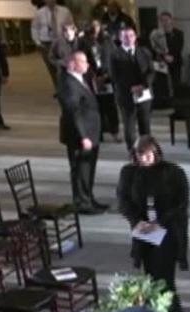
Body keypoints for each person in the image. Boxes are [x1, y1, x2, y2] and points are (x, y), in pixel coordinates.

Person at [117, 136, 190, 312]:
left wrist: (159, 222)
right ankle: (155, 301)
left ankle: (169, 304)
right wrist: (138, 223)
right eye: (140, 154)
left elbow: (181, 203)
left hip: (168, 227)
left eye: (148, 153)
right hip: (144, 228)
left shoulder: (173, 172)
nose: (144, 158)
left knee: (164, 268)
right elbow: (123, 202)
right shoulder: (129, 173)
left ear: (155, 152)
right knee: (149, 267)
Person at [58, 51, 105, 214]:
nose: (87, 64)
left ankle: (89, 198)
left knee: (88, 169)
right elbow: (74, 112)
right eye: (83, 61)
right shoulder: (69, 84)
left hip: (90, 133)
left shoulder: (79, 79)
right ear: (72, 64)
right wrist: (83, 136)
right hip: (80, 136)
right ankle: (82, 203)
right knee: (81, 170)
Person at [110, 26, 156, 154]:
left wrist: (143, 85)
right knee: (129, 126)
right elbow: (115, 76)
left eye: (131, 36)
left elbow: (151, 71)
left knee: (145, 125)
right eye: (125, 36)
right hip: (126, 95)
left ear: (135, 37)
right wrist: (132, 88)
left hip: (144, 94)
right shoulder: (115, 55)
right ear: (120, 38)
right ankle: (133, 152)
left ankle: (146, 150)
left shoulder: (144, 52)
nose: (128, 39)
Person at [79, 18, 121, 143]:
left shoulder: (107, 40)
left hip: (107, 78)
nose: (94, 28)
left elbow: (114, 57)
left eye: (97, 26)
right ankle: (98, 133)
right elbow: (81, 59)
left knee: (110, 106)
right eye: (92, 26)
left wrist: (108, 74)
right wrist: (93, 76)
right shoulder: (83, 41)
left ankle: (115, 132)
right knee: (96, 107)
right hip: (91, 78)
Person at [31, 0, 73, 92]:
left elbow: (70, 25)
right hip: (46, 43)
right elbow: (34, 28)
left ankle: (67, 86)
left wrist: (70, 38)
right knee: (52, 67)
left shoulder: (64, 11)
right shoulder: (39, 13)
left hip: (61, 42)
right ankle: (59, 89)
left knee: (64, 65)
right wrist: (37, 42)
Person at [149, 12, 186, 97]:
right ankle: (164, 103)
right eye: (162, 20)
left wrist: (172, 57)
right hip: (160, 61)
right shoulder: (156, 34)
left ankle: (175, 102)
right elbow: (154, 48)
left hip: (175, 61)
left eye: (166, 20)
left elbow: (179, 47)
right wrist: (164, 56)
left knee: (175, 83)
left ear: (171, 20)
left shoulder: (179, 33)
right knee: (161, 84)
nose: (164, 22)